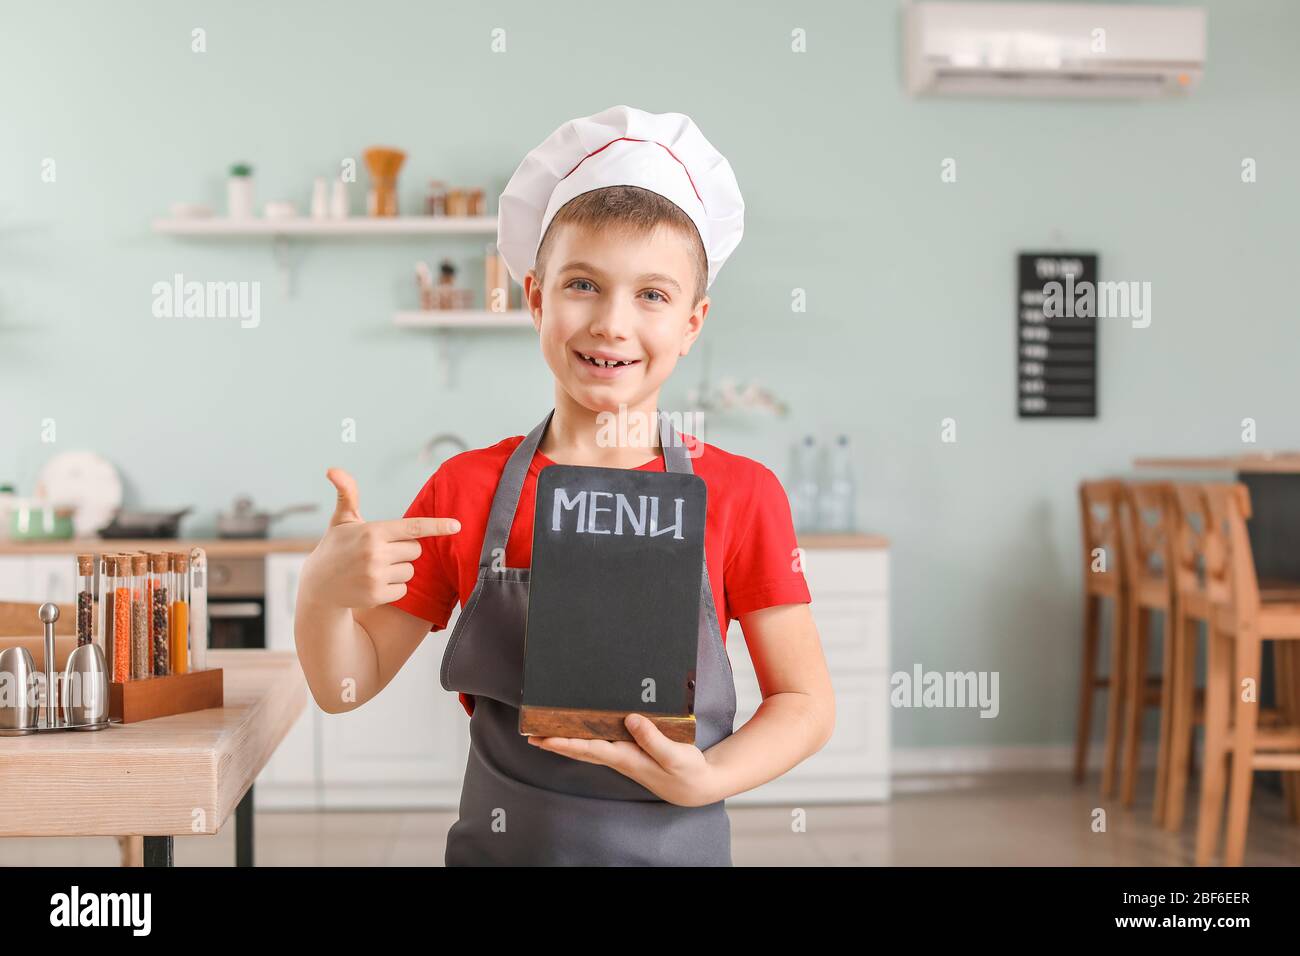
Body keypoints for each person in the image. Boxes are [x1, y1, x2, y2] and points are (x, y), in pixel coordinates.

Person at [294, 105, 834, 865]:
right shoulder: (463, 489)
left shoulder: (742, 494)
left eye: (652, 295)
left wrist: (705, 777)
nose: (612, 323)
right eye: (583, 284)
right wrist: (319, 595)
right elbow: (345, 685)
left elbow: (806, 704)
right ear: (537, 297)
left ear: (692, 322)